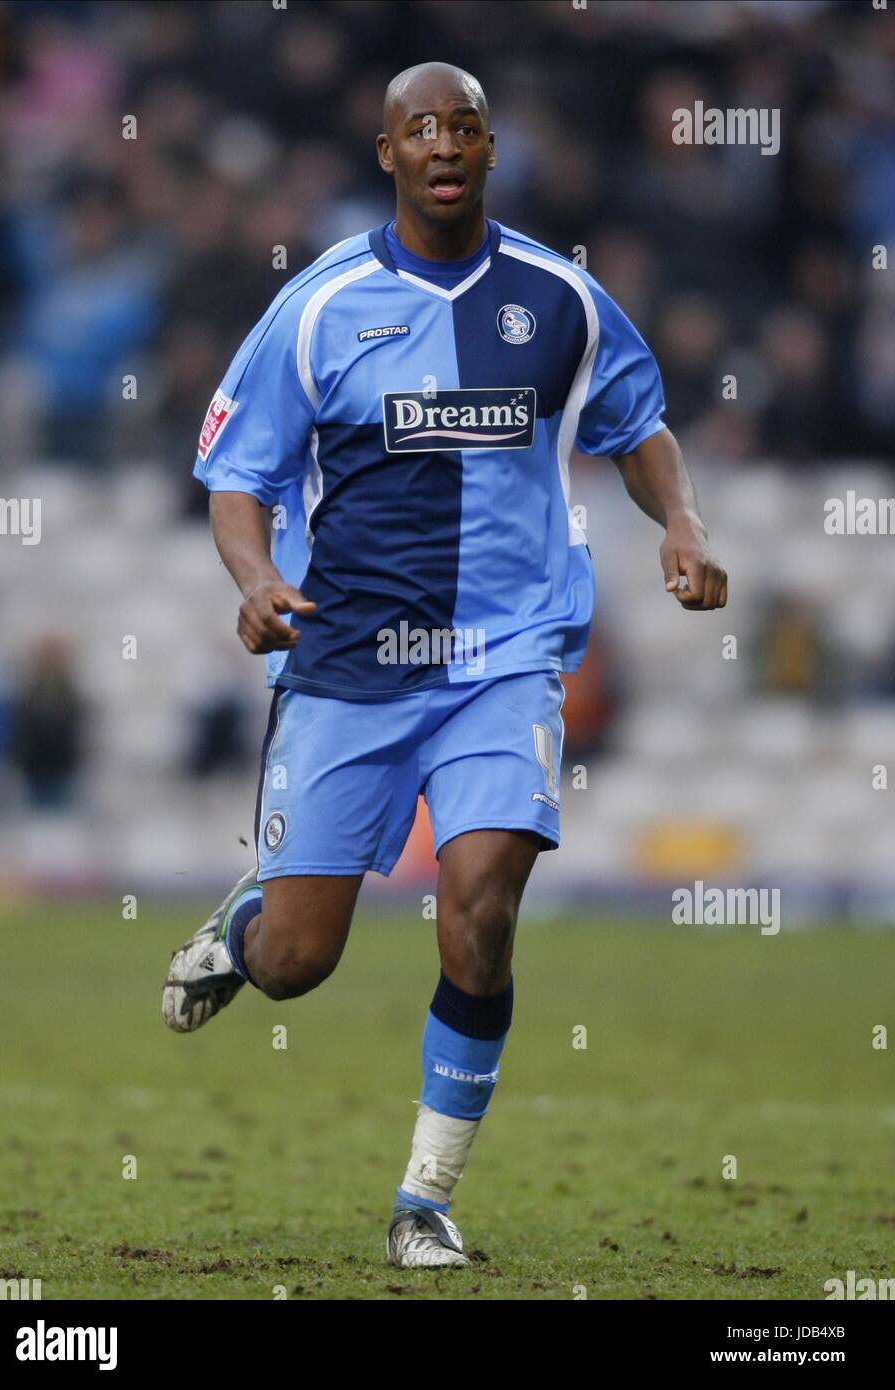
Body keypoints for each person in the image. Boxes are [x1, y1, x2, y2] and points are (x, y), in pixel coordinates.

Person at [162, 62, 727, 1269]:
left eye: (464, 128)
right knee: (301, 963)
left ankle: (423, 1199)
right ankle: (249, 921)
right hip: (349, 660)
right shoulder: (318, 307)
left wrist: (677, 522)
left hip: (504, 661)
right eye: (420, 130)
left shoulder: (559, 299)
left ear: (488, 150)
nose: (444, 147)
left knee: (479, 910)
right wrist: (255, 583)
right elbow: (235, 474)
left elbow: (636, 425)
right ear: (386, 155)